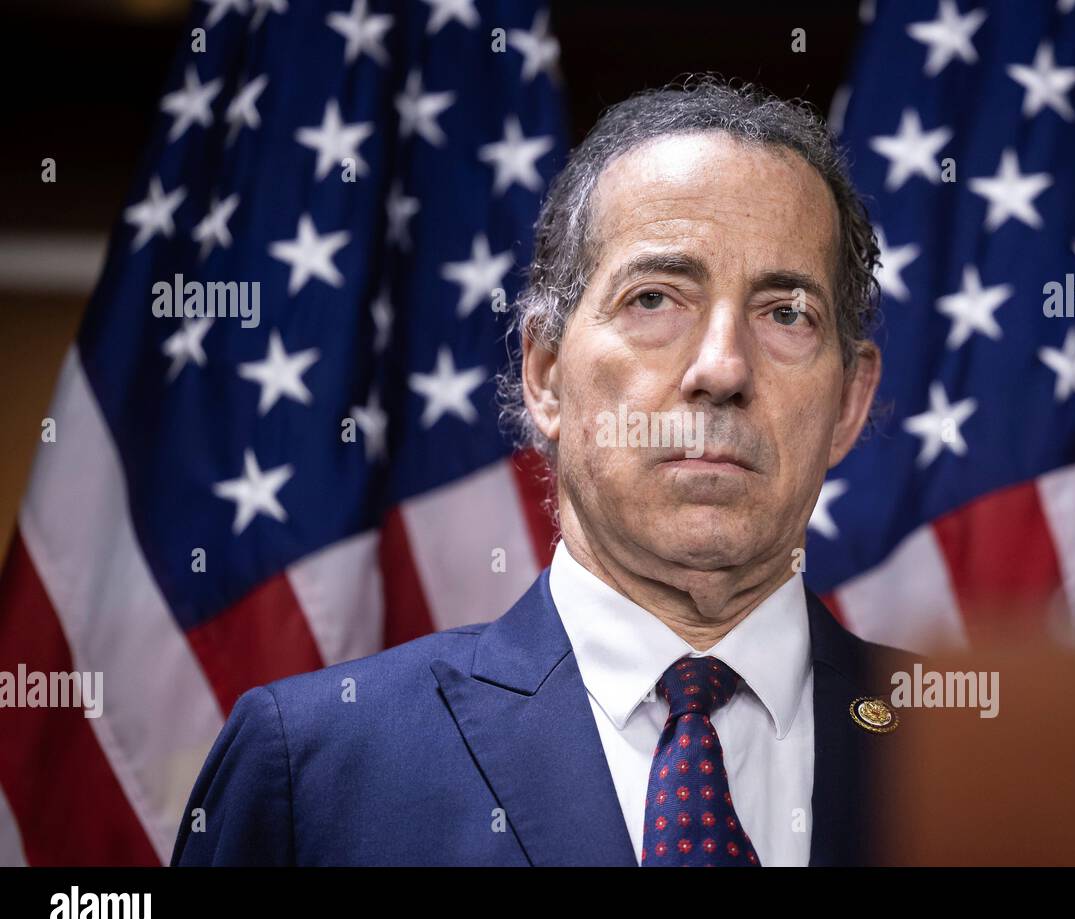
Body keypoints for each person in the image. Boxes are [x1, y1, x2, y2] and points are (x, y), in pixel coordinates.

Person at [172, 76, 918, 867]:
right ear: (546, 372)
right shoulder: (312, 771)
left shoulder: (1000, 765)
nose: (722, 367)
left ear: (848, 402)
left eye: (786, 313)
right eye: (656, 299)